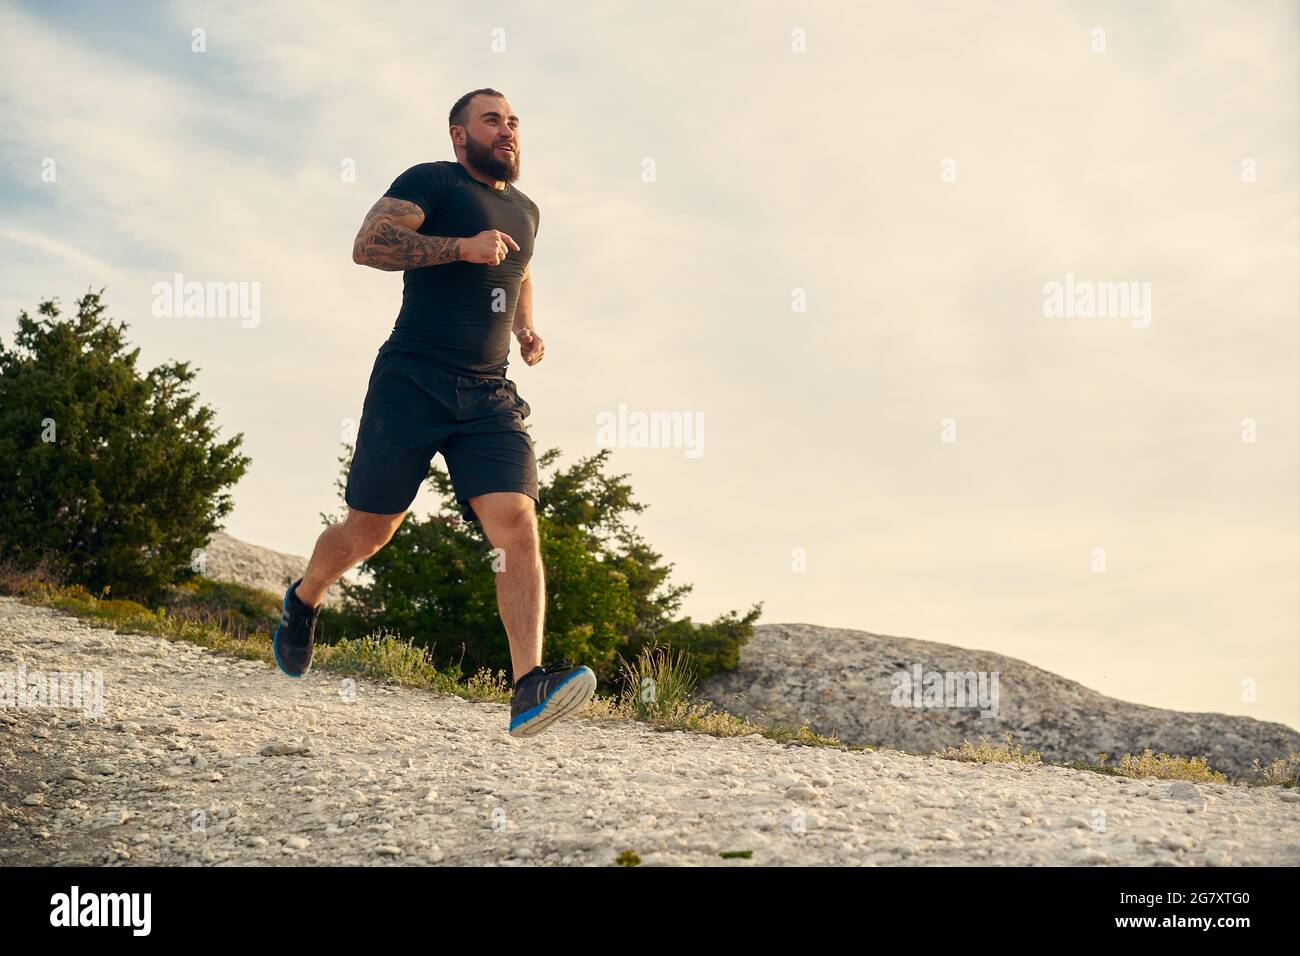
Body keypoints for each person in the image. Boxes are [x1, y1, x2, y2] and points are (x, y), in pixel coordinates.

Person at [272, 88, 595, 738]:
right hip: (411, 381)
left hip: (488, 393)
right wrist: (460, 248)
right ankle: (304, 599)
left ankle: (528, 685)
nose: (506, 131)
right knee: (369, 531)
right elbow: (369, 243)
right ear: (459, 134)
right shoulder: (431, 182)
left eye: (513, 122)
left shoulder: (527, 210)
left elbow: (522, 270)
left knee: (517, 523)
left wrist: (528, 329)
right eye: (491, 120)